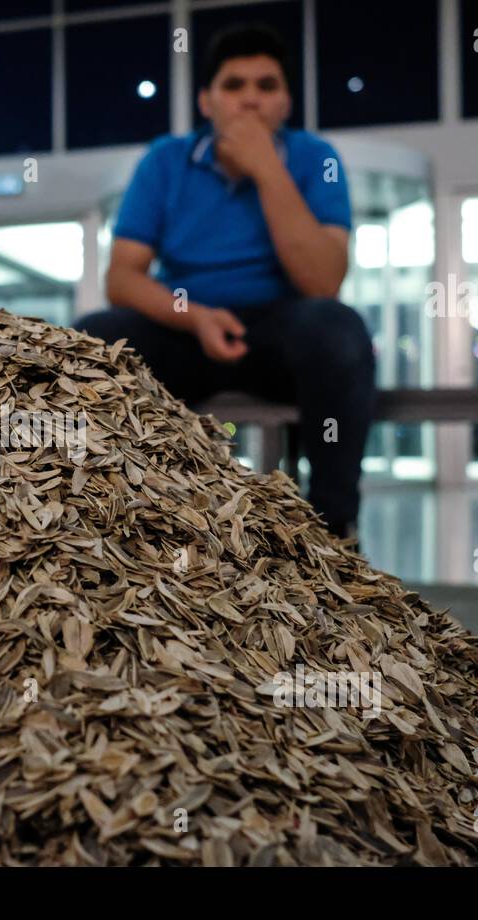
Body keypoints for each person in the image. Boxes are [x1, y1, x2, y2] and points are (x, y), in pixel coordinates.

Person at [74, 24, 373, 540]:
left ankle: (333, 529)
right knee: (97, 335)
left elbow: (322, 279)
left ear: (286, 103)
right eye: (234, 86)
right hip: (187, 324)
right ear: (206, 102)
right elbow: (122, 278)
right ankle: (117, 522)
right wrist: (194, 318)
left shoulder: (315, 159)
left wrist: (265, 167)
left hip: (283, 329)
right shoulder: (165, 160)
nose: (251, 99)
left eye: (267, 86)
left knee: (338, 330)